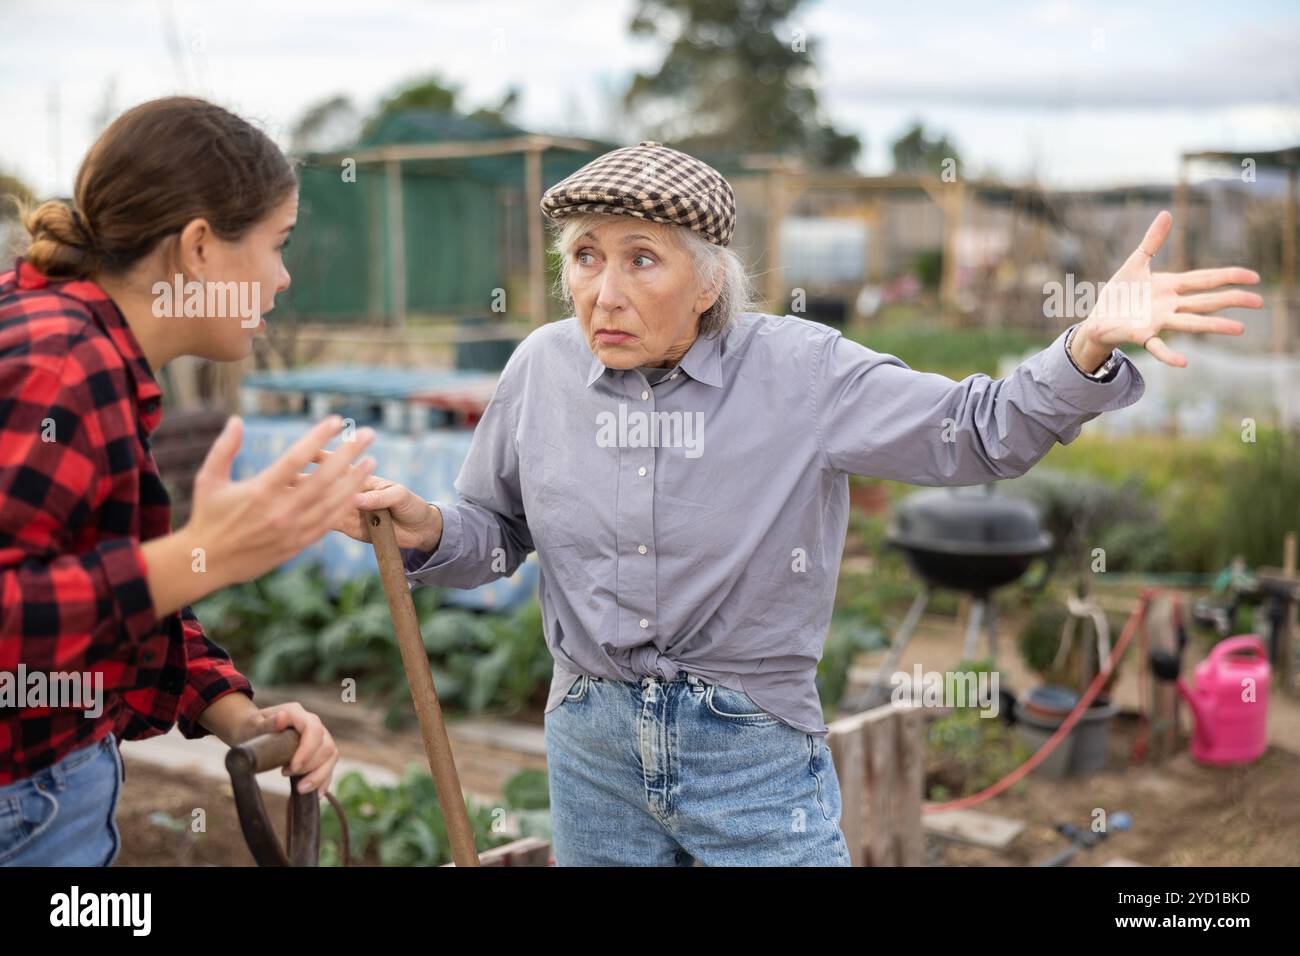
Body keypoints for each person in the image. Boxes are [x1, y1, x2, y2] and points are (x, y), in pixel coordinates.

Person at [328, 141, 1262, 866]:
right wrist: (429, 531)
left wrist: (1088, 343)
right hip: (593, 747)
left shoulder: (801, 371)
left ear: (707, 281)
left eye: (640, 260)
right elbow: (498, 535)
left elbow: (979, 432)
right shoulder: (542, 369)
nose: (601, 293)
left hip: (749, 749)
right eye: (583, 258)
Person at [0, 96, 378, 866]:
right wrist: (209, 551)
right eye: (277, 244)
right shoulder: (64, 365)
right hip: (25, 806)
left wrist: (233, 712)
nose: (282, 277)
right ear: (199, 248)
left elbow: (108, 589)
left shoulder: (74, 335)